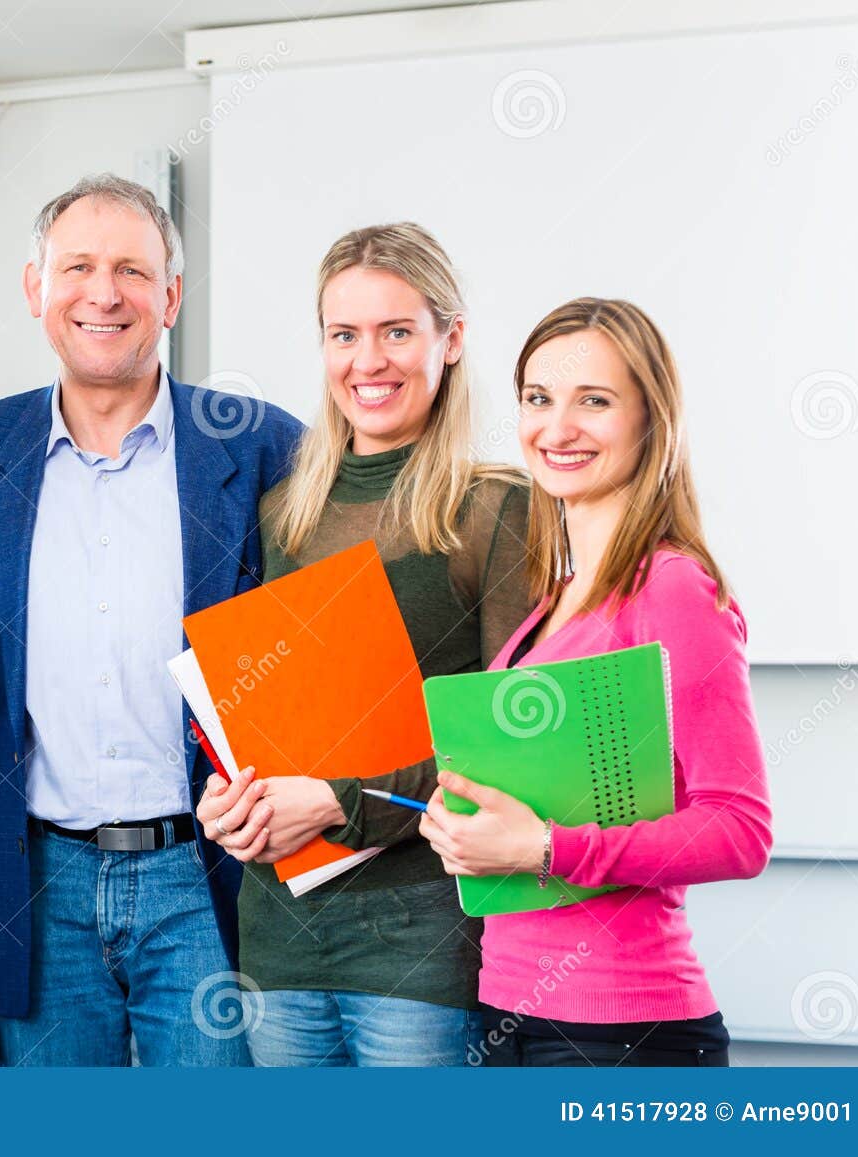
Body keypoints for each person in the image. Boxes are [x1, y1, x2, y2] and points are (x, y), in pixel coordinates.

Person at [0, 174, 303, 1066]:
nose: (104, 293)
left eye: (132, 270)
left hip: (208, 872)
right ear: (35, 290)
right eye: (78, 267)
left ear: (170, 296)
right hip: (39, 878)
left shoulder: (261, 448)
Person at [197, 223, 532, 1066]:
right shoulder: (283, 513)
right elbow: (277, 722)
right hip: (280, 937)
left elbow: (512, 754)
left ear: (450, 340)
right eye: (345, 334)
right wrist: (232, 799)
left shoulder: (496, 510)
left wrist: (339, 802)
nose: (368, 360)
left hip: (419, 943)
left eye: (397, 331)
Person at [419, 297, 772, 1066]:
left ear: (652, 420)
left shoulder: (673, 587)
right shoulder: (554, 600)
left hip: (621, 1032)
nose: (557, 428)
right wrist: (462, 824)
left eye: (595, 402)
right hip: (508, 1010)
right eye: (539, 399)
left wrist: (546, 847)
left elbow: (741, 831)